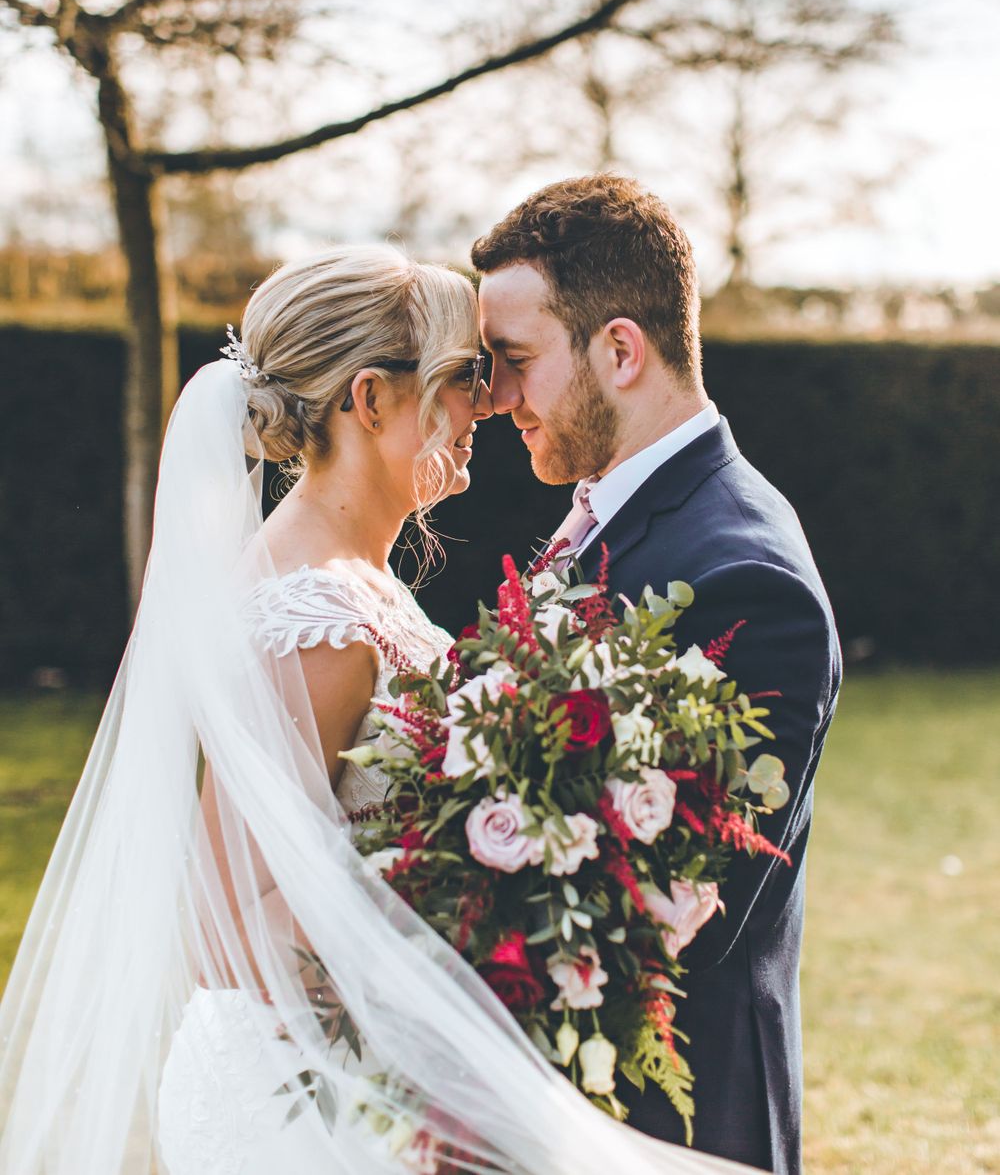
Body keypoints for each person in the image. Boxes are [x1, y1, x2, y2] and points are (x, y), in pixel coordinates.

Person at [0, 242, 753, 1175]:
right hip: (297, 1102)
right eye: (463, 376)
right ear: (370, 398)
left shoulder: (359, 584)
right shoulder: (310, 620)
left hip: (362, 1074)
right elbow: (221, 925)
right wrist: (472, 902)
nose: (488, 403)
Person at [474, 175, 842, 1175]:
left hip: (671, 1121)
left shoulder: (743, 575)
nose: (497, 397)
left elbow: (681, 911)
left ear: (620, 350)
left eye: (514, 362)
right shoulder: (608, 505)